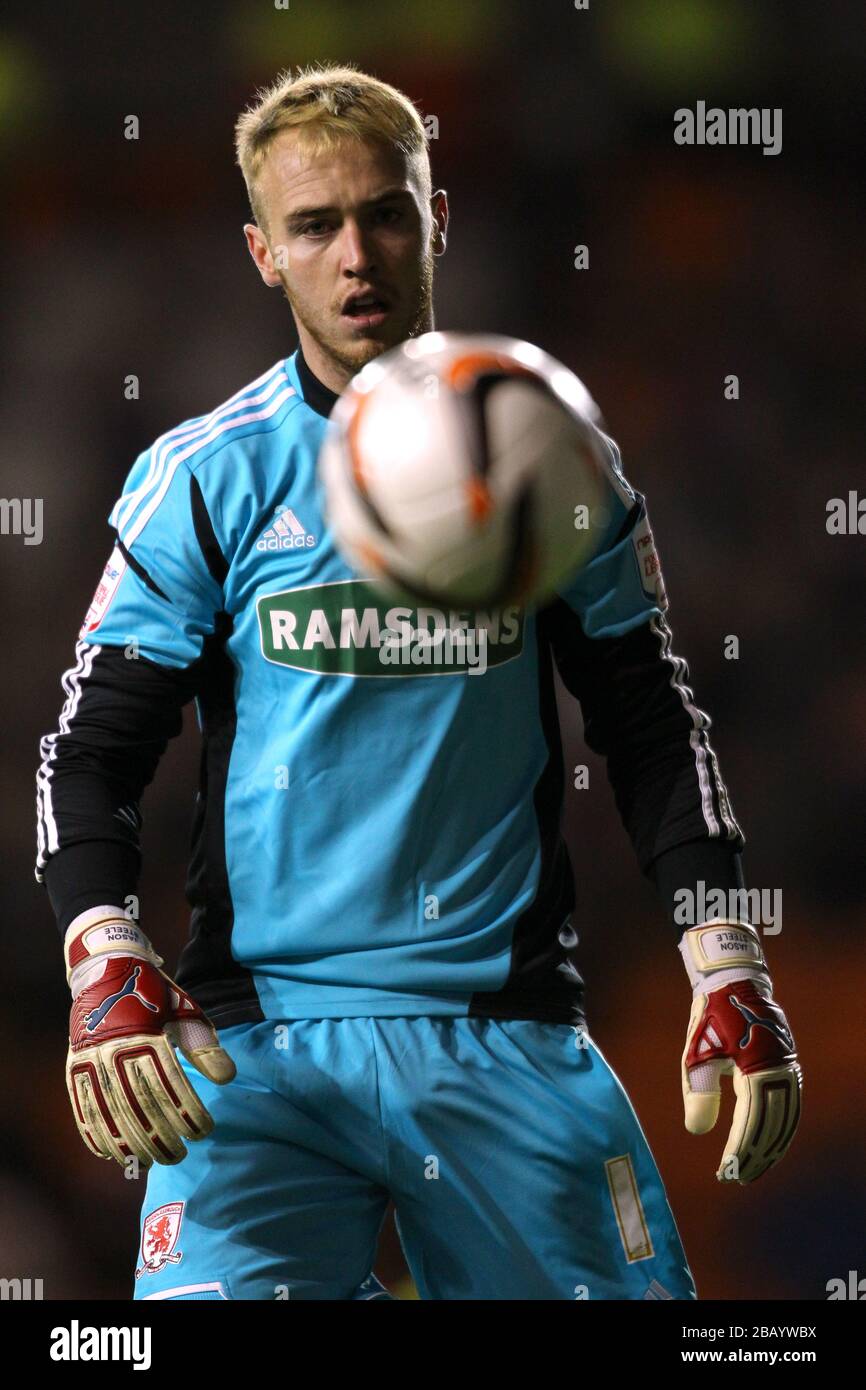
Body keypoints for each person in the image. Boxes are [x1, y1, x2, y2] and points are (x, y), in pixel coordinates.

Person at [35, 62, 801, 1301]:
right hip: (256, 1050)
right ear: (260, 253)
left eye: (385, 212)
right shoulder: (201, 479)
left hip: (505, 1032)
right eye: (314, 225)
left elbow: (650, 718)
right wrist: (102, 949)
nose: (357, 256)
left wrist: (724, 958)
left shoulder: (548, 447)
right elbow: (94, 748)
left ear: (435, 217)